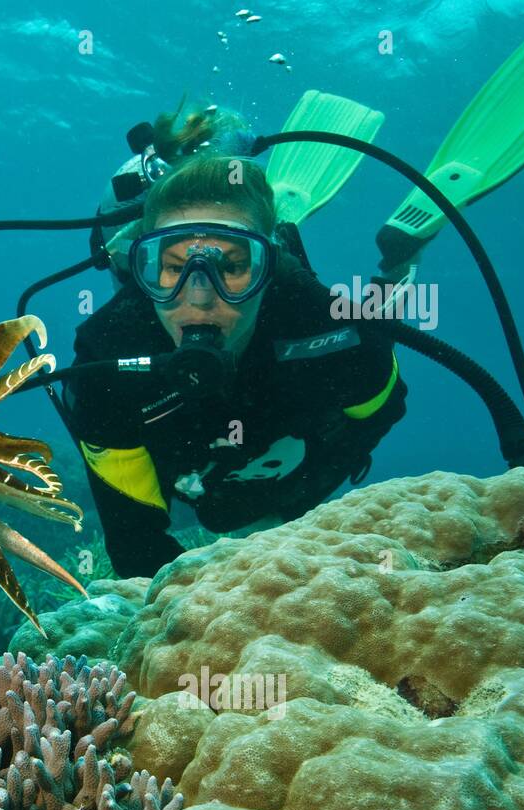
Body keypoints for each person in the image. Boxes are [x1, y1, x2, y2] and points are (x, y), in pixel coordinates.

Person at [65, 111, 407, 579]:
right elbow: (134, 541)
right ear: (142, 271)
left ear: (269, 268)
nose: (199, 298)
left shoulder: (334, 330)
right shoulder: (106, 360)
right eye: (171, 267)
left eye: (231, 267)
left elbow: (383, 411)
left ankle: (397, 266)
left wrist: (295, 509)